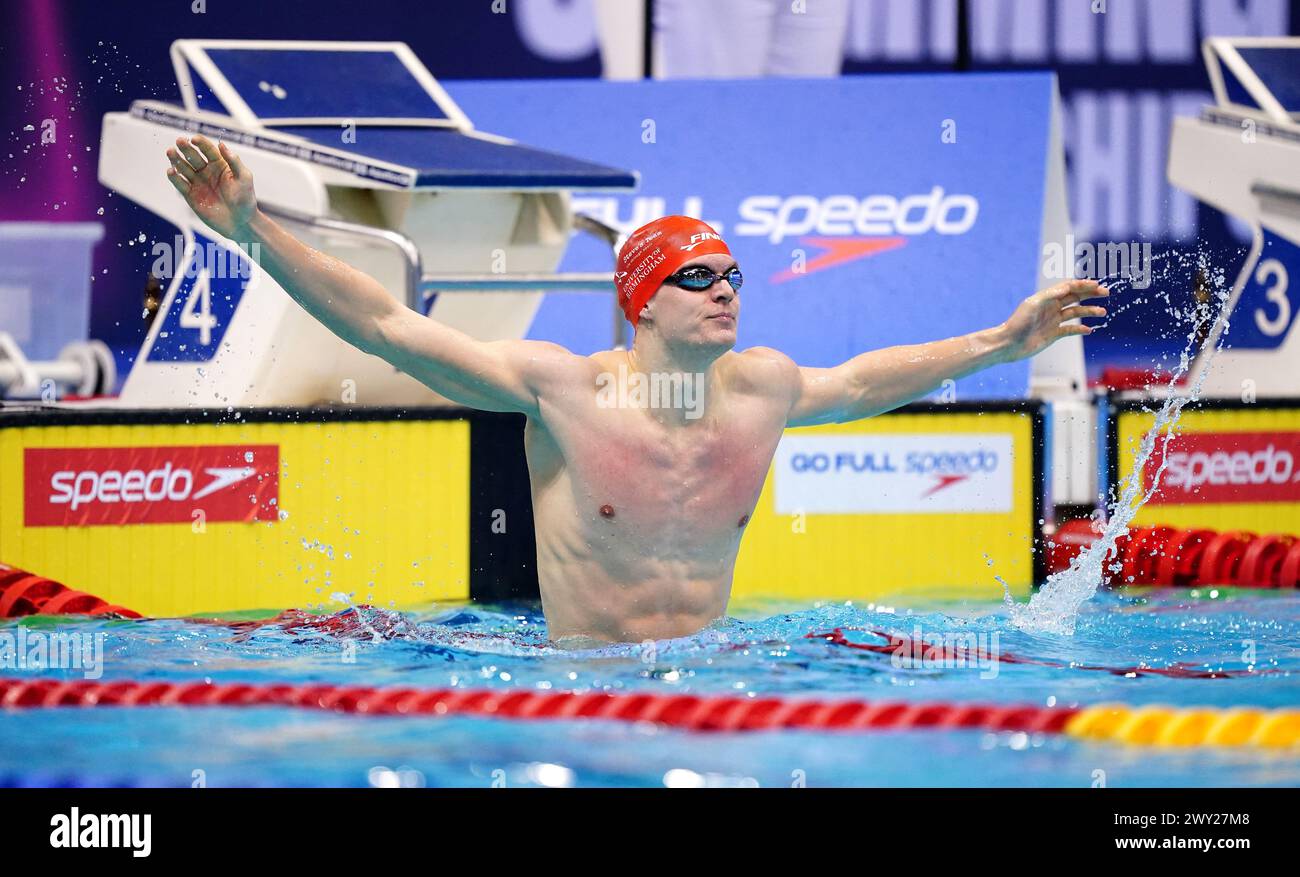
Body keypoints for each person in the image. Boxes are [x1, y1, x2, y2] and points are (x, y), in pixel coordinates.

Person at [165, 134, 1107, 645]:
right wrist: (252, 231)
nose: (726, 290)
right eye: (698, 278)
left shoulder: (763, 389)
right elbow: (385, 325)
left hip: (715, 677)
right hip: (575, 689)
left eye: (733, 274)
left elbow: (864, 380)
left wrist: (1003, 340)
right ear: (643, 305)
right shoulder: (562, 388)